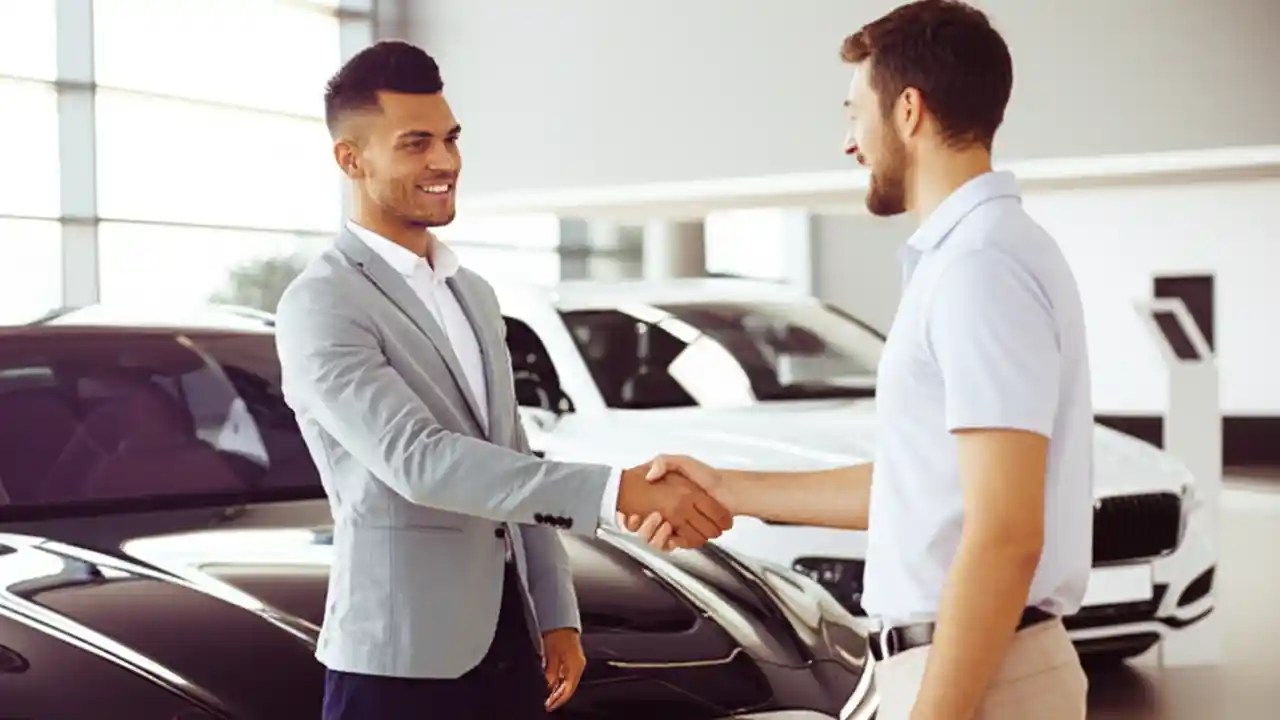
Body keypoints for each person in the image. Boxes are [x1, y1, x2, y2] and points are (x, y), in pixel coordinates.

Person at [625, 2, 1093, 718]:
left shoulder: (980, 267)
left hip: (979, 678)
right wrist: (727, 487)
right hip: (958, 667)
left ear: (908, 110)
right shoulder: (973, 257)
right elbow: (924, 491)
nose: (849, 142)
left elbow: (1004, 531)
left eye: (854, 113)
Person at [275, 40, 733, 720]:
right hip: (398, 665)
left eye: (451, 139)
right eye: (416, 143)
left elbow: (512, 455)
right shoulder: (322, 303)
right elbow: (421, 462)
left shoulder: (474, 294)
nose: (445, 162)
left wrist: (556, 614)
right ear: (351, 159)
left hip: (508, 646)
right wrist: (618, 490)